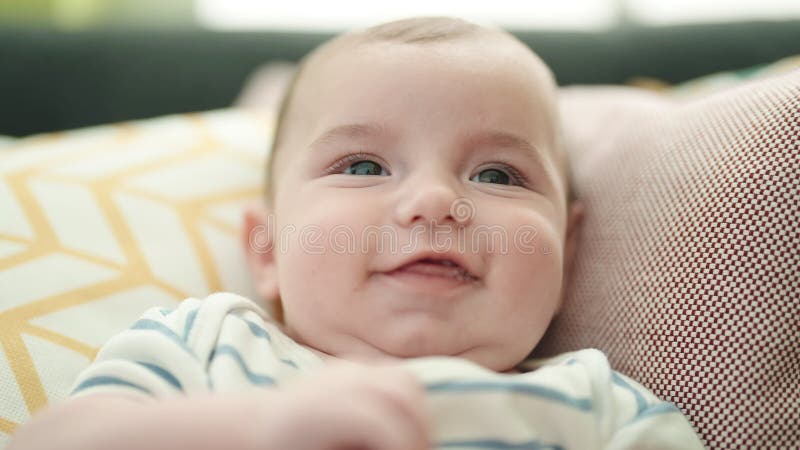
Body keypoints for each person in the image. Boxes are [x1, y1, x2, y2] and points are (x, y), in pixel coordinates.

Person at [8, 17, 704, 450]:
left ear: (568, 250)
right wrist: (252, 433)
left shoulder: (595, 403)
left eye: (497, 176)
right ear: (268, 250)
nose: (434, 200)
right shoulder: (212, 343)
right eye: (364, 165)